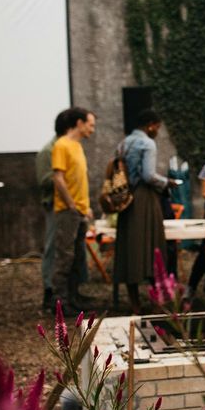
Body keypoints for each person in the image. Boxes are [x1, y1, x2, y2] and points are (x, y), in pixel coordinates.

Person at [112, 110, 173, 311]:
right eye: (157, 127)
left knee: (131, 247)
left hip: (126, 199)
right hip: (144, 199)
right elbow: (148, 176)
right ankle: (157, 300)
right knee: (152, 245)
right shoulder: (147, 143)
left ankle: (134, 302)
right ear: (150, 125)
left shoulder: (123, 143)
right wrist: (167, 182)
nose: (157, 131)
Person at [52, 107, 97, 313]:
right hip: (68, 211)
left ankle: (74, 297)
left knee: (77, 256)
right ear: (79, 123)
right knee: (65, 256)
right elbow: (58, 177)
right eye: (90, 124)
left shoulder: (77, 146)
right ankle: (59, 302)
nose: (92, 129)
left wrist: (85, 208)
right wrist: (71, 204)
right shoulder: (61, 145)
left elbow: (79, 180)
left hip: (80, 211)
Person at [37, 110, 69, 311]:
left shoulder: (66, 147)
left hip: (66, 205)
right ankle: (49, 291)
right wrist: (63, 177)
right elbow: (44, 180)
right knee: (52, 248)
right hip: (54, 206)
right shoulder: (48, 151)